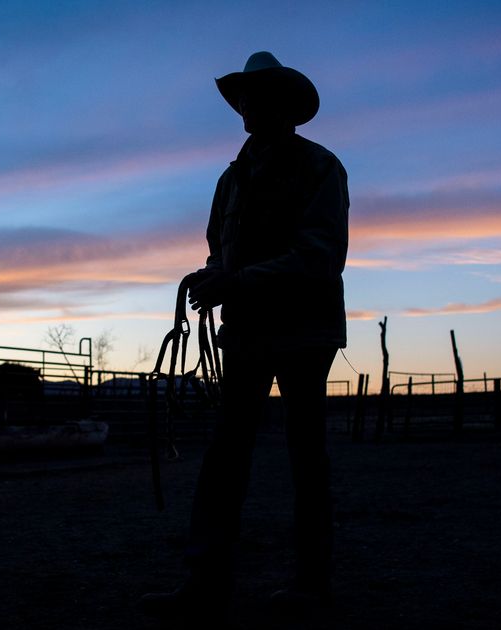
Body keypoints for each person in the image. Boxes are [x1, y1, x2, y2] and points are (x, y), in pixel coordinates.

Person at [138, 51, 349, 624]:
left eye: (257, 96)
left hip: (304, 332)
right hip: (247, 333)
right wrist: (213, 275)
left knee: (305, 454)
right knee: (227, 454)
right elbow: (220, 249)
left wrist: (236, 281)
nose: (247, 106)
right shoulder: (230, 180)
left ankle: (311, 583)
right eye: (244, 97)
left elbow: (320, 255)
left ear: (283, 105)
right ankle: (204, 583)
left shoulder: (320, 168)